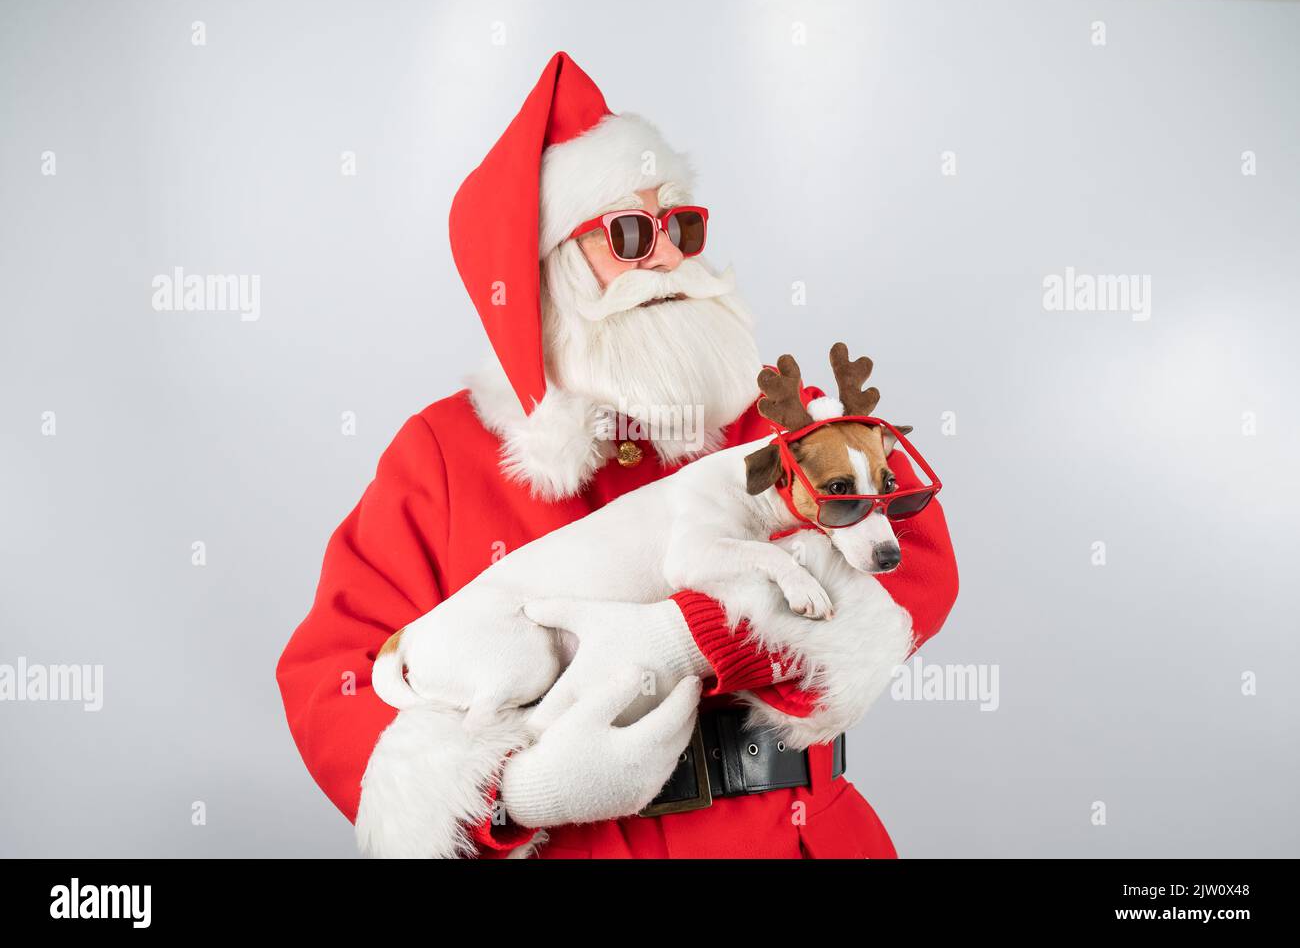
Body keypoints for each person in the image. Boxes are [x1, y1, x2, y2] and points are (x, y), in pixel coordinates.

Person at [276, 52, 958, 858]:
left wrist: (685, 638)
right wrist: (513, 795)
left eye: (681, 227)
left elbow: (915, 557)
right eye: (631, 235)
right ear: (553, 271)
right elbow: (335, 677)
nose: (669, 258)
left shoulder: (779, 415)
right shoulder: (443, 455)